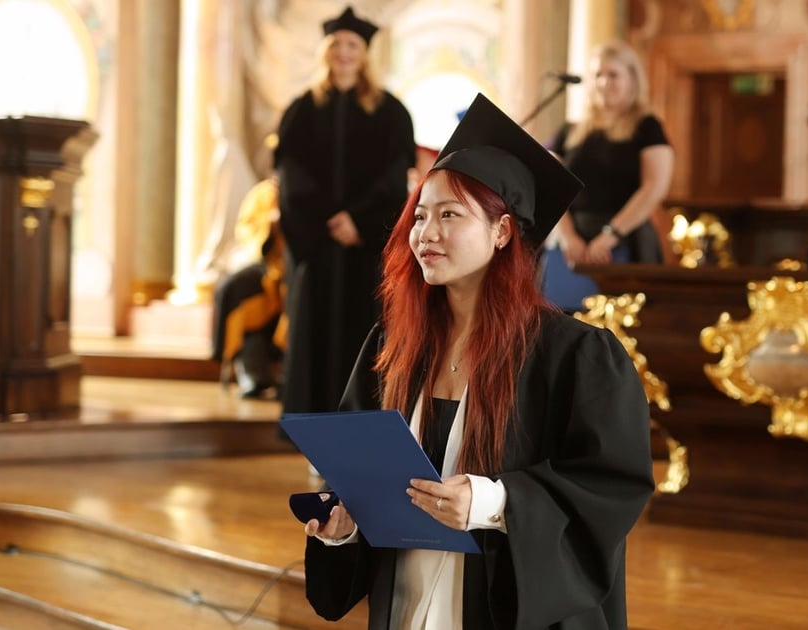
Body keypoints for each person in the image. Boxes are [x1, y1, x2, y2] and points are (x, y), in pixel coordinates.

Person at [301, 94, 655, 629]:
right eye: (420, 216)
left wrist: (495, 502)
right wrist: (344, 526)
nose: (426, 233)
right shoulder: (391, 347)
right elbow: (356, 473)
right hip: (406, 601)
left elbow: (610, 487)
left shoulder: (575, 356)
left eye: (450, 214)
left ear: (502, 231)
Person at [273, 6, 415, 415]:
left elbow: (394, 179)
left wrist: (360, 222)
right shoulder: (302, 110)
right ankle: (311, 426)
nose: (344, 52)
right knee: (313, 329)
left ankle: (359, 424)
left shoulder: (390, 112)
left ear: (365, 54)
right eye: (336, 44)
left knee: (364, 329)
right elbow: (291, 175)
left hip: (365, 248)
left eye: (352, 45)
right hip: (317, 246)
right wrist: (327, 221)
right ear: (325, 51)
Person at [542, 40, 674, 311]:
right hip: (570, 245)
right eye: (597, 75)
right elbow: (549, 185)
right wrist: (568, 236)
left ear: (632, 79)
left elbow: (654, 188)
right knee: (558, 321)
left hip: (626, 240)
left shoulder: (648, 127)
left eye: (613, 75)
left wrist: (609, 236)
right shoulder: (570, 130)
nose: (604, 82)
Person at [211, 176, 287, 399]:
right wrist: (269, 225)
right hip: (266, 262)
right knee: (233, 289)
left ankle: (286, 376)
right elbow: (246, 229)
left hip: (295, 265)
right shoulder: (262, 193)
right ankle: (251, 372)